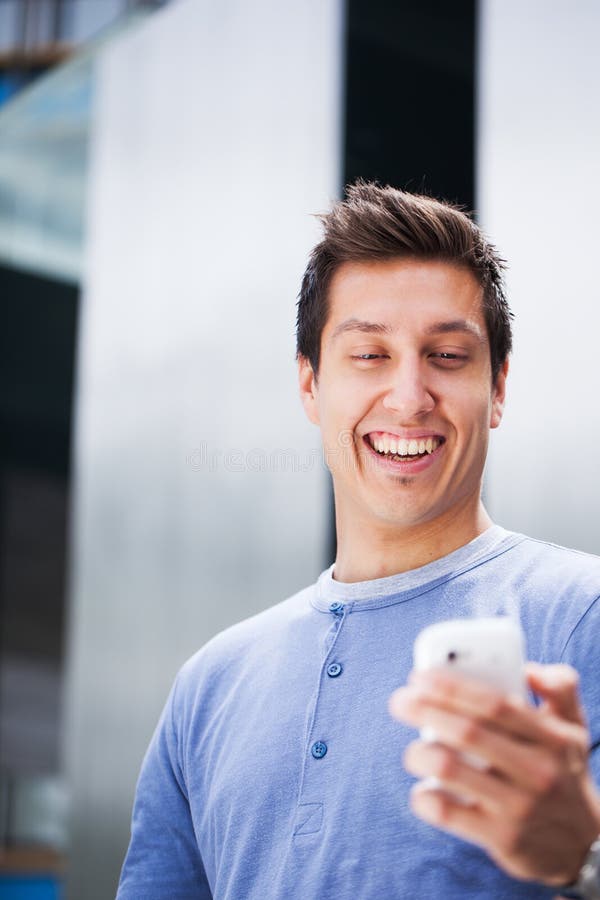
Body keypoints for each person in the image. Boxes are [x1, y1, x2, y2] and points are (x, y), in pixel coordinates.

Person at [117, 183, 600, 899]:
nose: (408, 397)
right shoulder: (209, 684)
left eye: (447, 355)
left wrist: (583, 863)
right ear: (310, 386)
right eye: (370, 354)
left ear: (497, 388)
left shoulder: (586, 618)